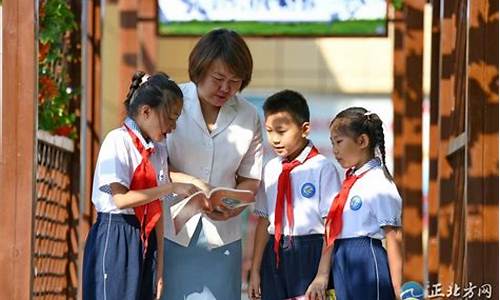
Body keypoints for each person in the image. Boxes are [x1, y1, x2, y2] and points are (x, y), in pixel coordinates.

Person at [162, 29, 263, 299]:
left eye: (234, 81)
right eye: (218, 78)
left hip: (223, 236)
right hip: (171, 231)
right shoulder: (171, 101)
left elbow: (251, 177)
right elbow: (153, 166)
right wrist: (191, 183)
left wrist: (234, 206)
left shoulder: (248, 114)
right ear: (199, 69)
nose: (225, 89)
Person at [82, 71, 198, 300]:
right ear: (146, 111)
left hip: (146, 237)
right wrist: (170, 188)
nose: (173, 127)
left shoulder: (158, 150)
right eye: (171, 117)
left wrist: (160, 268)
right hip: (115, 233)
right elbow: (121, 199)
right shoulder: (118, 141)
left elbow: (158, 212)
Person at [248, 90, 341, 300]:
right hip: (274, 252)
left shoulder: (323, 168)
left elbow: (332, 226)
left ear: (305, 129)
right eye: (269, 131)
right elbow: (264, 220)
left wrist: (322, 275)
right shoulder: (270, 168)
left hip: (311, 252)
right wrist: (255, 270)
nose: (274, 139)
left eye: (281, 131)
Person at [325, 107, 403, 299]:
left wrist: (398, 289)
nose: (335, 150)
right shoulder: (350, 182)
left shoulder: (379, 183)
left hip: (366, 260)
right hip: (342, 259)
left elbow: (393, 239)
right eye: (332, 143)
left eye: (339, 142)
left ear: (362, 141)